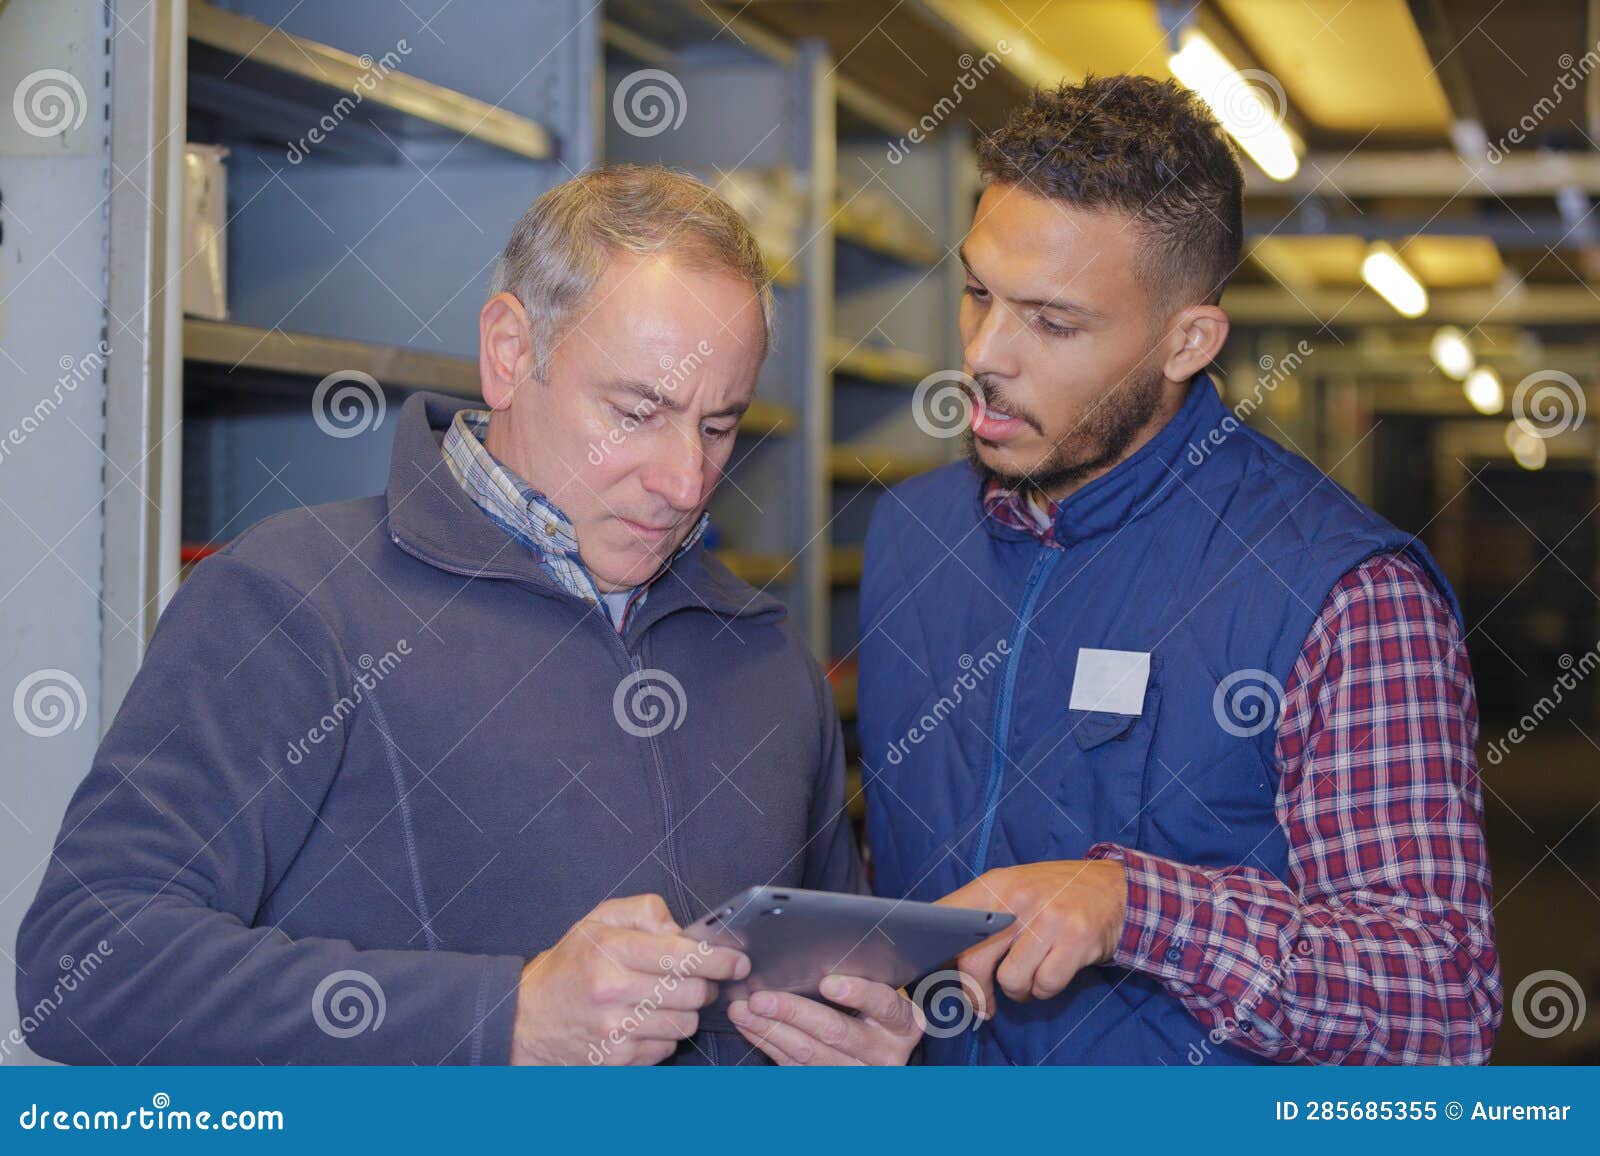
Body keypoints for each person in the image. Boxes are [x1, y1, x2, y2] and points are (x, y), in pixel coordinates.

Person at [17, 165, 919, 1067]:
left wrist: (862, 1058)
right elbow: (85, 963)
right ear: (510, 353)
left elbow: (825, 989)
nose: (686, 481)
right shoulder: (292, 601)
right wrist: (505, 1017)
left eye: (719, 426)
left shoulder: (766, 658)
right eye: (638, 410)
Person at [859, 77, 1502, 1064]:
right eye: (978, 291)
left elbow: (1435, 1001)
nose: (985, 354)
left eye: (1053, 323)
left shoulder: (1343, 595)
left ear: (1186, 341)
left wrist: (1133, 906)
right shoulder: (910, 536)